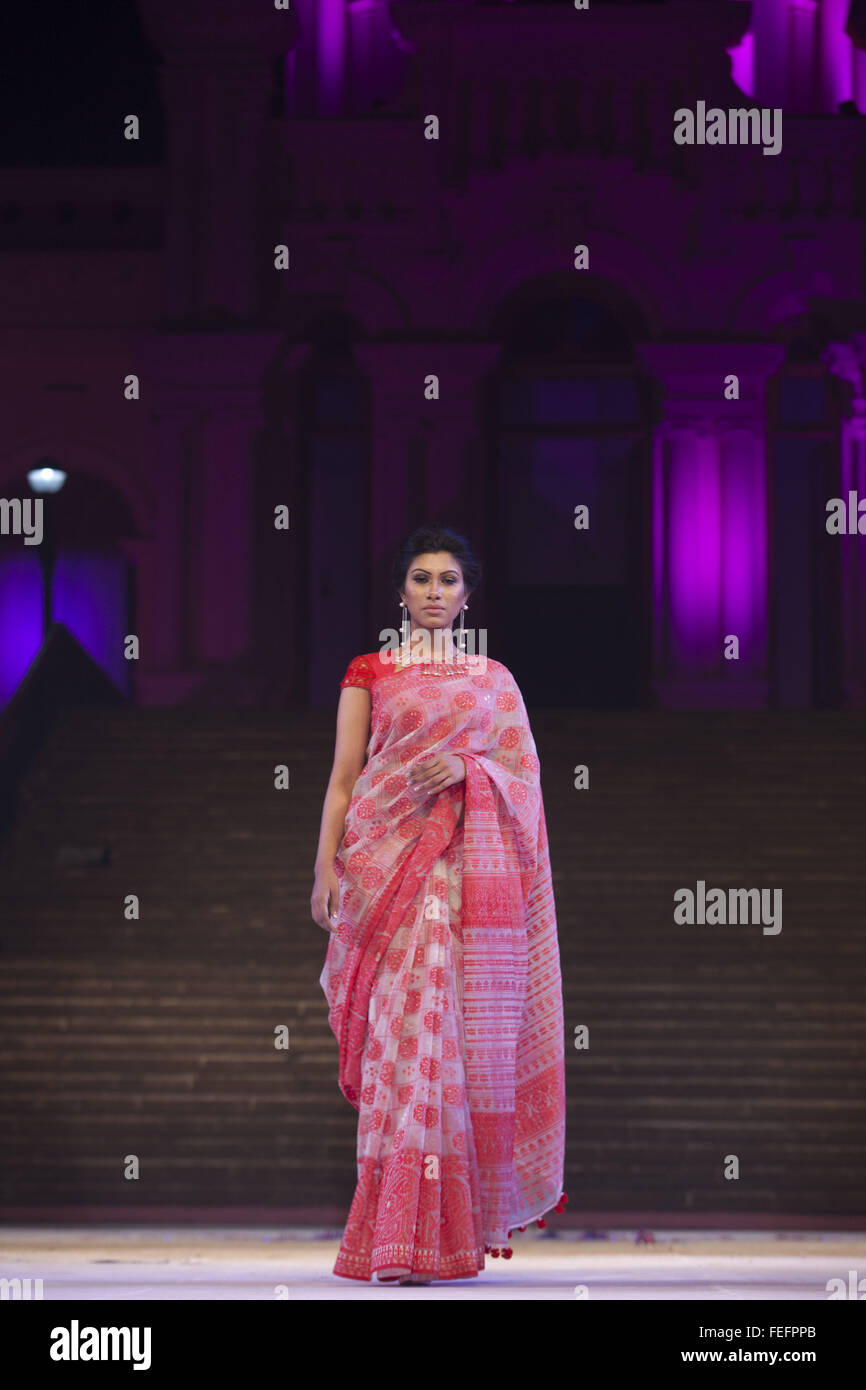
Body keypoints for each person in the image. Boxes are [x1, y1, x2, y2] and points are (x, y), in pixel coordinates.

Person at [311, 523, 566, 1283]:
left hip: (466, 884)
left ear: (467, 594)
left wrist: (465, 766)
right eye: (420, 579)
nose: (433, 592)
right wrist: (324, 866)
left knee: (444, 1044)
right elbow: (345, 779)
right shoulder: (370, 672)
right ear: (400, 590)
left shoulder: (494, 681)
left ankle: (440, 1237)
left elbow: (523, 783)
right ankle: (390, 1236)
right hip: (383, 874)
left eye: (447, 581)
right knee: (401, 1045)